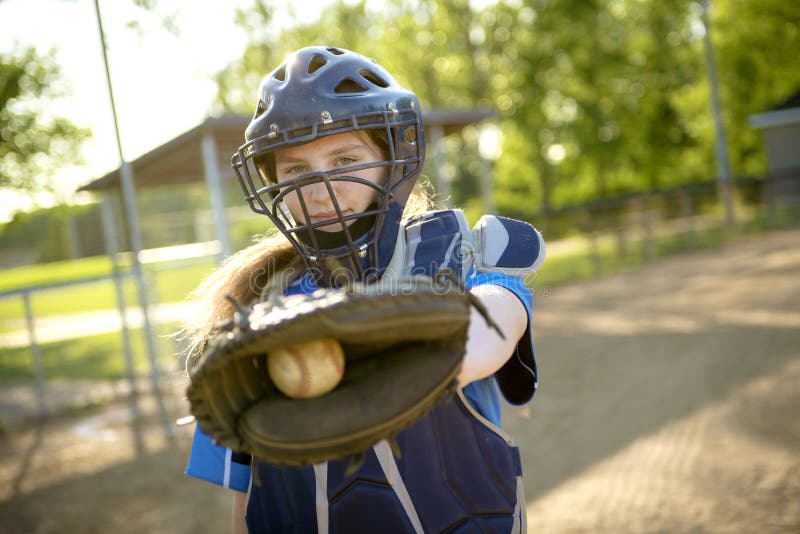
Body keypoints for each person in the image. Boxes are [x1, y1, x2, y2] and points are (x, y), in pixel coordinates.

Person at [183, 45, 544, 533]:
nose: (319, 189)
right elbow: (249, 506)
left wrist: (375, 361)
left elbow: (493, 322)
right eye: (296, 170)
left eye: (345, 158)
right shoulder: (253, 322)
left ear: (393, 160)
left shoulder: (455, 260)